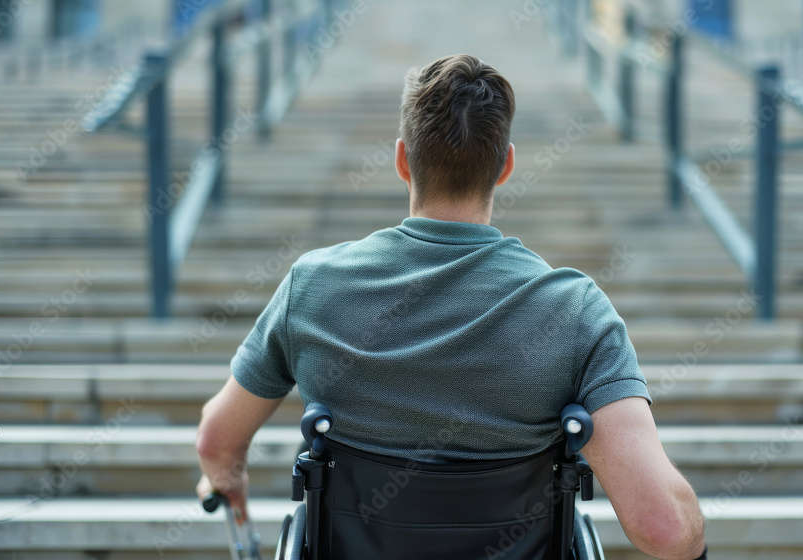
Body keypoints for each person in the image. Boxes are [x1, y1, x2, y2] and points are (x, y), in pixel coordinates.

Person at [195, 53, 706, 560]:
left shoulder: (312, 287)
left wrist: (229, 482)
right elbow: (662, 528)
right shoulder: (576, 312)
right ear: (505, 165)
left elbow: (217, 444)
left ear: (402, 159)